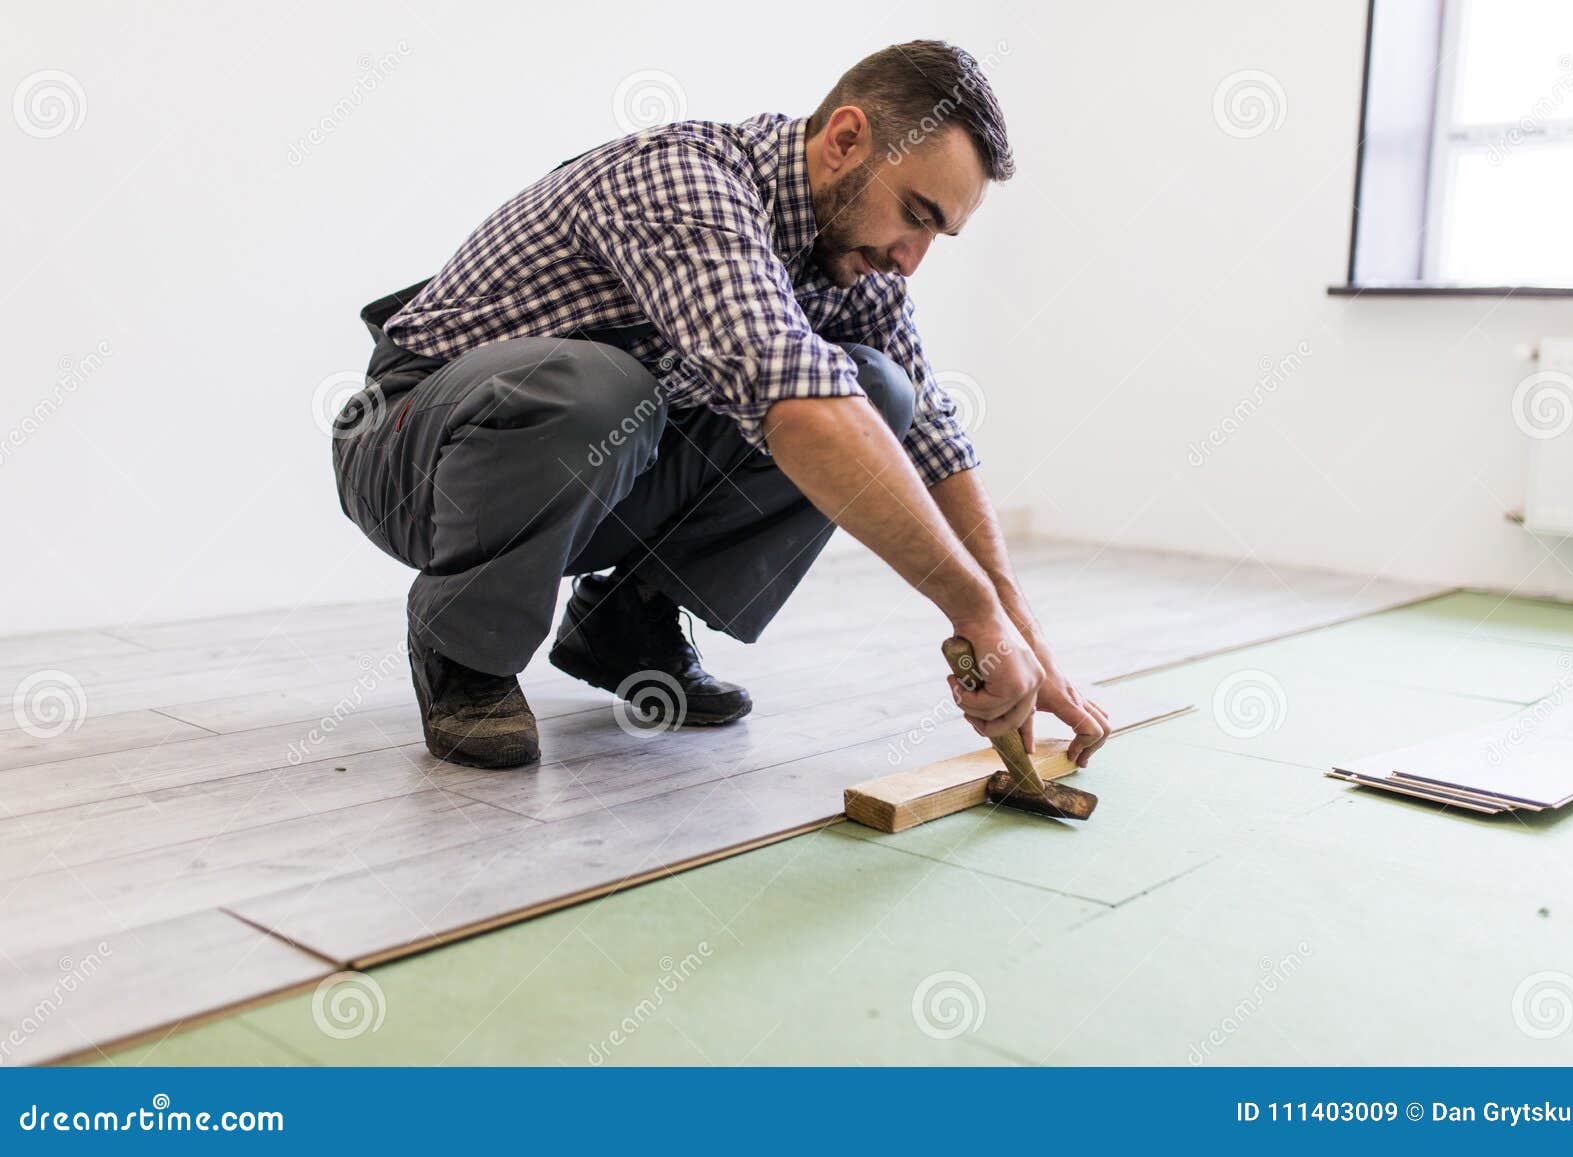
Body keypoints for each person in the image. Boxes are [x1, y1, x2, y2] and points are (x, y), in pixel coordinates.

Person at [333, 40, 1110, 771]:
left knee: (879, 392)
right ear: (844, 139)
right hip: (414, 453)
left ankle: (628, 622)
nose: (912, 258)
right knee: (614, 390)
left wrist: (1019, 629)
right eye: (914, 212)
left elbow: (932, 439)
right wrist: (972, 612)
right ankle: (465, 652)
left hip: (586, 475)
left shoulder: (857, 261)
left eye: (938, 233)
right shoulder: (687, 178)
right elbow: (796, 405)